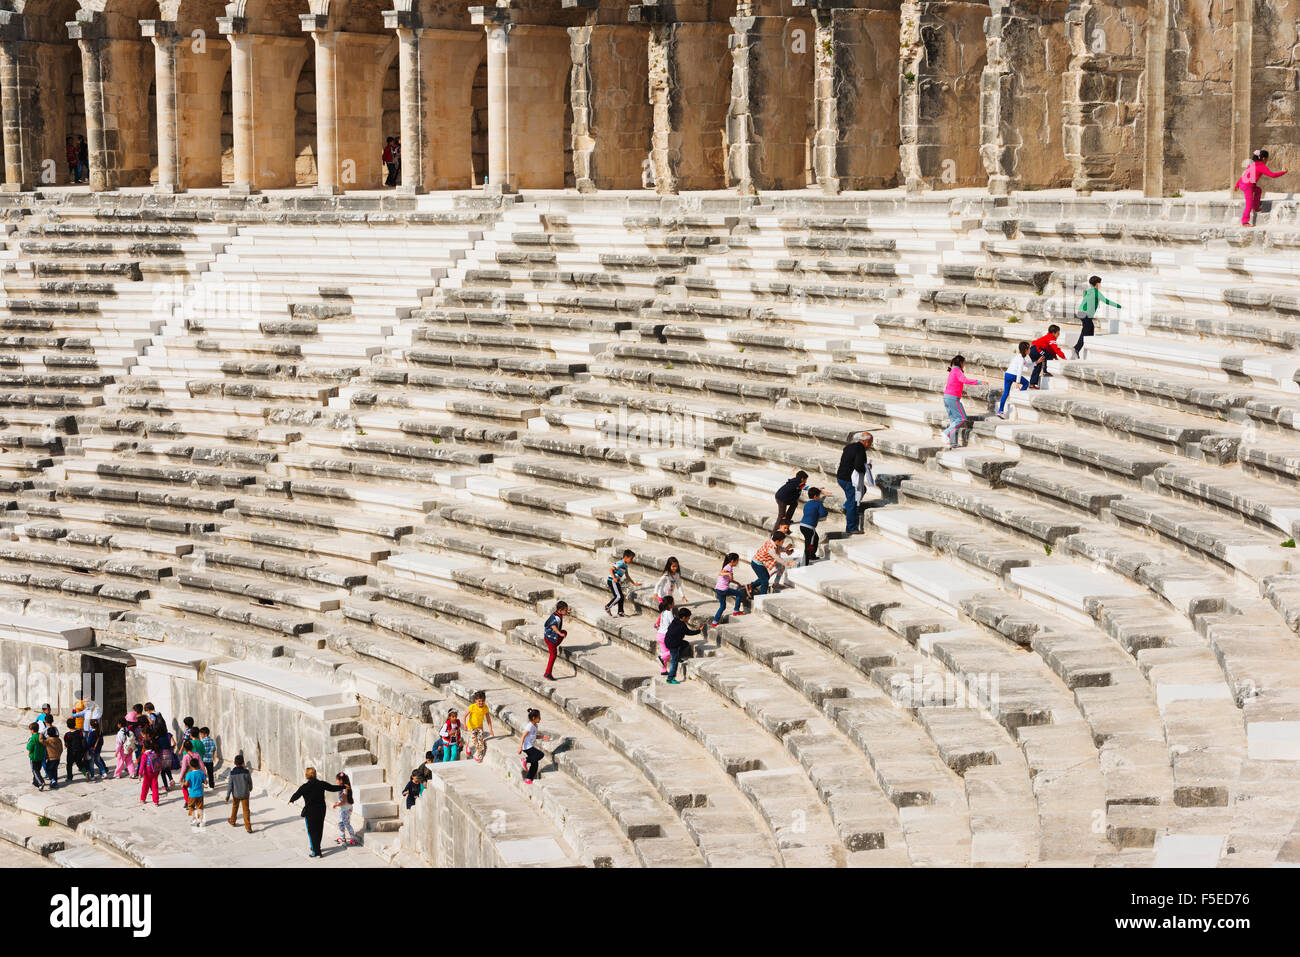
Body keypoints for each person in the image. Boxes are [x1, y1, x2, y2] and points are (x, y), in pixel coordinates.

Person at [288, 767, 343, 859]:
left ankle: (316, 852)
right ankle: (317, 847)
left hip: (310, 811)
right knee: (319, 829)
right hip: (321, 810)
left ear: (307, 775)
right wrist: (344, 786)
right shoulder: (321, 784)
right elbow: (332, 788)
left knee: (312, 831)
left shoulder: (304, 787)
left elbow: (296, 794)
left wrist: (291, 800)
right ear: (315, 774)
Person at [1237, 148, 1287, 227]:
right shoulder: (1261, 166)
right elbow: (1272, 175)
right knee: (1248, 204)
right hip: (1247, 186)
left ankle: (1256, 207)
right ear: (1264, 158)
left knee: (1258, 190)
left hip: (1242, 183)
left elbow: (1244, 175)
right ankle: (1245, 221)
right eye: (1267, 159)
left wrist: (1237, 185)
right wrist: (1283, 172)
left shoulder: (1252, 164)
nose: (1267, 161)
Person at [1074, 275, 1121, 357]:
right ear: (1097, 284)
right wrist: (1118, 306)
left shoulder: (1087, 291)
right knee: (1086, 331)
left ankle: (1085, 346)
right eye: (1100, 283)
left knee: (1090, 328)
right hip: (1086, 314)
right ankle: (1077, 348)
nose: (1100, 285)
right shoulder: (1096, 292)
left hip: (1080, 312)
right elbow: (1106, 301)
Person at [836, 432, 874, 534]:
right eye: (870, 442)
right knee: (854, 503)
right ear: (866, 442)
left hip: (841, 477)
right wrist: (867, 467)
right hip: (849, 480)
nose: (870, 445)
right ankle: (851, 528)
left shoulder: (850, 446)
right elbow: (858, 466)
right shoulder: (860, 450)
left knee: (863, 489)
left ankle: (846, 506)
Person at [942, 354, 980, 449]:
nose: (964, 365)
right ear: (961, 363)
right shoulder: (957, 370)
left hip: (947, 397)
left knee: (954, 421)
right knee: (962, 418)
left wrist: (961, 391)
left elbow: (952, 383)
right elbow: (964, 380)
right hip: (952, 398)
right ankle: (946, 433)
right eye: (964, 363)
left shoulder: (952, 370)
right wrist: (978, 382)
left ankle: (952, 442)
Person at [664, 608, 705, 685]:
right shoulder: (682, 625)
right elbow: (689, 632)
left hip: (669, 640)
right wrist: (699, 630)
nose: (689, 619)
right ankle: (670, 678)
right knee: (674, 661)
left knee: (685, 644)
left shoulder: (675, 620)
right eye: (688, 617)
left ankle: (678, 657)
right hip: (673, 644)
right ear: (683, 617)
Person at [711, 553, 749, 626]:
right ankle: (736, 611)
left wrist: (737, 583)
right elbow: (720, 573)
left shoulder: (728, 567)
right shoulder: (727, 567)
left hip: (718, 589)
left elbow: (730, 580)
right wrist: (728, 574)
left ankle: (714, 622)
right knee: (739, 594)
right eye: (737, 561)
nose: (737, 562)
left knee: (722, 606)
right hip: (723, 589)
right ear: (732, 561)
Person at [997, 341, 1032, 418]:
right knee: (1026, 383)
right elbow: (1019, 370)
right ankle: (1020, 396)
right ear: (1026, 350)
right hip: (1014, 375)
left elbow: (1027, 365)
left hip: (1007, 374)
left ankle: (1000, 411)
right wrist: (1017, 382)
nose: (1030, 350)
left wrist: (1036, 362)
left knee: (1006, 393)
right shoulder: (1021, 359)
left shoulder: (1018, 356)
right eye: (1029, 348)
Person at [604, 548, 641, 617]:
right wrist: (614, 578)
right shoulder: (620, 563)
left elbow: (627, 576)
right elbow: (611, 569)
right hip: (612, 581)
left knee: (621, 597)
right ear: (626, 557)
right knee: (618, 596)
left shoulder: (625, 566)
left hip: (616, 581)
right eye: (631, 559)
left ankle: (620, 612)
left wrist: (634, 583)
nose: (631, 560)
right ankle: (607, 607)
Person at [749, 531, 787, 596]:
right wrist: (787, 563)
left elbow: (779, 549)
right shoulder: (771, 548)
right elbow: (777, 558)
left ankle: (751, 586)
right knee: (765, 582)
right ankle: (762, 597)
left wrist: (786, 549)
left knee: (765, 577)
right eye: (782, 542)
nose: (783, 543)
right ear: (777, 541)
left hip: (759, 563)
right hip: (757, 564)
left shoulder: (773, 542)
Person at [798, 488, 829, 565]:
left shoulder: (806, 504)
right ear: (815, 496)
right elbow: (823, 513)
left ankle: (812, 555)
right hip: (809, 527)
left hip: (802, 525)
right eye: (819, 496)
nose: (819, 497)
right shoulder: (818, 503)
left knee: (815, 539)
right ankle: (805, 561)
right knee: (809, 545)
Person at [519, 709, 550, 784]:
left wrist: (542, 737)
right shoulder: (530, 726)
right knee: (540, 754)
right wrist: (520, 747)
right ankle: (525, 760)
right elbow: (523, 736)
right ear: (533, 718)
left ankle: (528, 779)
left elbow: (533, 736)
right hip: (527, 747)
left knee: (535, 763)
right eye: (539, 717)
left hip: (530, 746)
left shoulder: (535, 725)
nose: (540, 718)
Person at [225, 754, 253, 832]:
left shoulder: (232, 773)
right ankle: (248, 827)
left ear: (234, 763)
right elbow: (250, 782)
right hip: (245, 794)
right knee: (246, 810)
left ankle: (232, 821)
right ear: (243, 762)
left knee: (235, 807)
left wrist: (227, 795)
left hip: (236, 795)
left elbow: (230, 785)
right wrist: (250, 788)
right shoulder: (246, 772)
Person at [465, 691, 494, 763]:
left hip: (480, 727)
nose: (481, 703)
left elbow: (488, 719)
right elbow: (464, 716)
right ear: (476, 700)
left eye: (483, 701)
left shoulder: (485, 708)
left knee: (480, 743)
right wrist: (465, 725)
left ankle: (478, 756)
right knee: (475, 742)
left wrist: (490, 729)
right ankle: (468, 746)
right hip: (471, 727)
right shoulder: (472, 707)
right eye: (479, 701)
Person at [543, 600, 569, 681]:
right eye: (565, 610)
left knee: (564, 632)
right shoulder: (557, 618)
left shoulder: (557, 613)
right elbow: (554, 626)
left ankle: (554, 646)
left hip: (548, 637)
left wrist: (568, 609)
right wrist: (560, 634)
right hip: (550, 639)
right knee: (553, 655)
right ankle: (547, 673)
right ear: (560, 610)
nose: (567, 611)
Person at [334, 772, 357, 846]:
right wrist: (338, 803)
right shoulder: (343, 787)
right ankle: (342, 837)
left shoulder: (344, 789)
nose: (336, 781)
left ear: (341, 780)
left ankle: (353, 838)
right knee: (340, 823)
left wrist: (337, 804)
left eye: (337, 779)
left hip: (346, 809)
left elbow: (344, 801)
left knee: (346, 823)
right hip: (344, 808)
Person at [63, 718, 90, 783]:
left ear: (67, 726)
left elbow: (66, 744)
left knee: (69, 765)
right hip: (79, 751)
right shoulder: (80, 732)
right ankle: (85, 772)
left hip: (71, 752)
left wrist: (67, 746)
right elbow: (83, 741)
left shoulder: (67, 735)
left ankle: (69, 777)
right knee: (79, 762)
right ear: (75, 724)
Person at [654, 595, 675, 674]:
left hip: (659, 635)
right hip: (665, 636)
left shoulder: (662, 613)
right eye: (673, 602)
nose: (674, 603)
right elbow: (673, 625)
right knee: (674, 651)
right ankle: (660, 657)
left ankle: (663, 670)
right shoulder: (669, 613)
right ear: (670, 604)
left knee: (665, 652)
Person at [184, 756, 206, 828]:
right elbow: (205, 781)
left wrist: (184, 784)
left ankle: (194, 819)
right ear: (198, 765)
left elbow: (186, 784)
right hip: (200, 793)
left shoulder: (189, 774)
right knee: (200, 807)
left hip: (192, 794)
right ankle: (201, 821)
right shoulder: (201, 772)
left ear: (190, 766)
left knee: (191, 806)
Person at [139, 742, 162, 806]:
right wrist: (160, 769)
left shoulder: (145, 755)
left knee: (145, 786)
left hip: (147, 773)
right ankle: (156, 801)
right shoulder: (155, 753)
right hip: (155, 772)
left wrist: (139, 773)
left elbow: (142, 765)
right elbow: (159, 761)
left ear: (144, 747)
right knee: (155, 787)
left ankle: (143, 799)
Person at [27, 723, 47, 790]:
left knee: (34, 770)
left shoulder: (32, 738)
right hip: (41, 756)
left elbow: (29, 748)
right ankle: (35, 782)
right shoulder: (41, 736)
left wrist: (29, 754)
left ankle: (40, 782)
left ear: (32, 730)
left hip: (34, 757)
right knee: (38, 769)